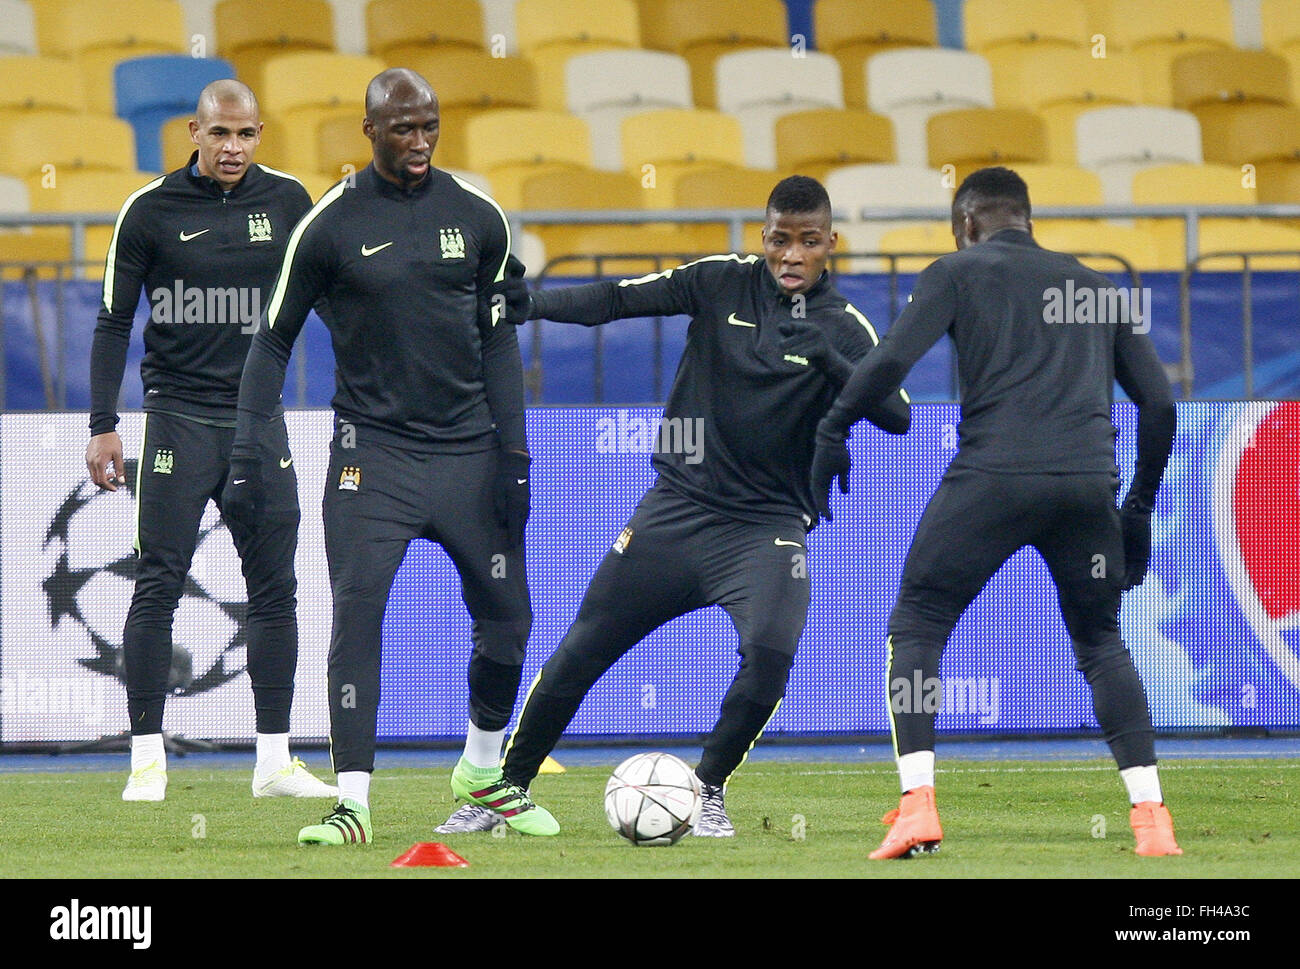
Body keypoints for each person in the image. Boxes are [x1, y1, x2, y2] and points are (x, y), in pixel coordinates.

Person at [436, 174, 911, 837]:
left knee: (771, 653)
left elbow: (898, 415)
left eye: (809, 241)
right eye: (780, 239)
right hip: (676, 512)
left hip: (767, 529)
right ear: (763, 236)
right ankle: (502, 790)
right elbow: (618, 298)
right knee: (579, 651)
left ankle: (708, 787)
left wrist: (832, 362)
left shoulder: (845, 327)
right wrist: (533, 304)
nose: (792, 255)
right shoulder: (719, 280)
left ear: (831, 243)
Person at [222, 67, 554, 845]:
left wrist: (516, 451)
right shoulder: (328, 226)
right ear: (368, 130)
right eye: (403, 127)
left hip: (471, 453)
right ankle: (354, 803)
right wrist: (243, 447)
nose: (419, 141)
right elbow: (271, 340)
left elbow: (501, 332)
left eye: (430, 125)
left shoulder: (477, 217)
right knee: (358, 617)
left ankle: (480, 772)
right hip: (371, 457)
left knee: (510, 621)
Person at [811, 166, 1182, 858]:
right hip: (1085, 486)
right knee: (1102, 642)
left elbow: (890, 361)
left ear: (967, 224)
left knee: (917, 621)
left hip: (993, 480)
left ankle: (918, 804)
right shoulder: (1097, 288)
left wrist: (833, 428)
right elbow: (1159, 406)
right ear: (1028, 219)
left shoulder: (956, 271)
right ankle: (1152, 818)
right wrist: (1137, 508)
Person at [86, 79, 336, 803]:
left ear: (261, 136)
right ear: (193, 131)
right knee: (157, 580)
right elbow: (111, 322)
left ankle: (274, 760)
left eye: (247, 135)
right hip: (176, 421)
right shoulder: (148, 210)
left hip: (260, 423)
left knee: (275, 590)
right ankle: (145, 758)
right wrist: (103, 424)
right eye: (220, 134)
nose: (234, 148)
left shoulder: (291, 202)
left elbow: (341, 293)